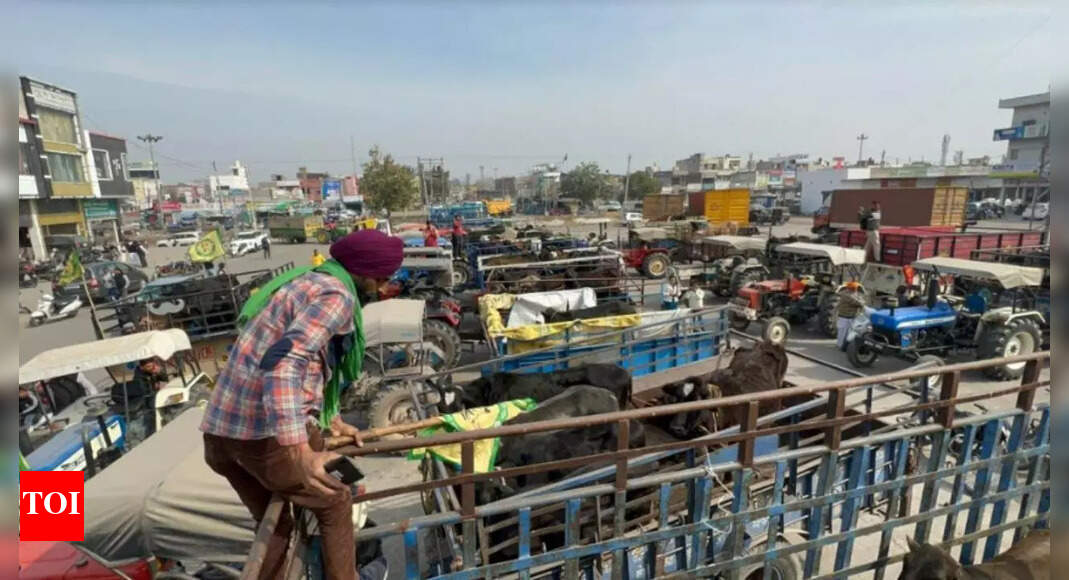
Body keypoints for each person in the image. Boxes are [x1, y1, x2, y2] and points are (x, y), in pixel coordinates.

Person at [200, 229, 404, 580]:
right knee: (336, 498)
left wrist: (333, 419)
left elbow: (314, 363)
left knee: (275, 524)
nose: (383, 287)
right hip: (260, 438)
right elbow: (283, 364)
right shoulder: (336, 297)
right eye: (383, 278)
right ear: (368, 275)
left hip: (219, 437)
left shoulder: (303, 282)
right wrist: (299, 452)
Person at [835, 281, 867, 351]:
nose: (856, 290)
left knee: (849, 333)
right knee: (842, 333)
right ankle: (840, 346)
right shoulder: (846, 295)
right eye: (854, 288)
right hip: (844, 317)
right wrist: (862, 302)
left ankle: (845, 346)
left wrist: (862, 300)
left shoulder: (853, 293)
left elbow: (861, 299)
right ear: (850, 288)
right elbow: (858, 302)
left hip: (851, 317)